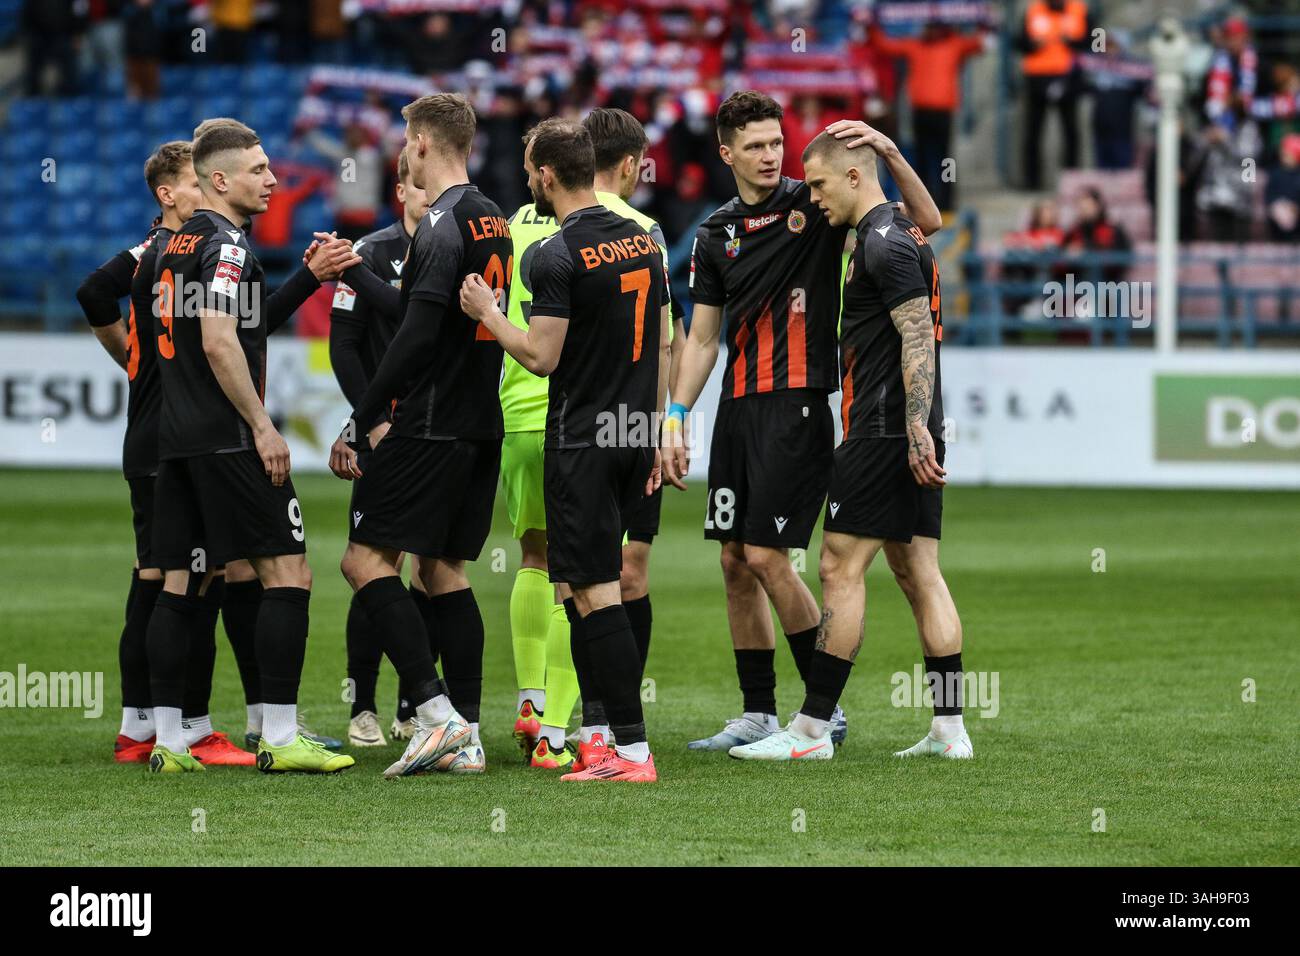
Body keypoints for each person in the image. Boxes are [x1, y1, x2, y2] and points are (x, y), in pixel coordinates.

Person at [663, 91, 941, 753]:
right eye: (754, 146)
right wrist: (675, 415)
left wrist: (887, 152)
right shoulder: (714, 233)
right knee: (734, 560)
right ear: (726, 152)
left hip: (798, 406)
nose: (770, 156)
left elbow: (925, 221)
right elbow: (702, 338)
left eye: (775, 142)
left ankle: (823, 709)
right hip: (737, 408)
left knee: (767, 554)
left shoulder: (816, 202)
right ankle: (758, 713)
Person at [733, 130, 969, 761]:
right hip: (910, 426)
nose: (813, 198)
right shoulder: (900, 230)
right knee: (918, 572)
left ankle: (812, 731)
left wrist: (911, 428)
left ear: (854, 178)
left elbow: (916, 336)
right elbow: (931, 219)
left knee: (838, 567)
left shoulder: (882, 244)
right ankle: (950, 731)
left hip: (884, 428)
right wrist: (891, 152)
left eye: (819, 184)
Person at [459, 118, 670, 783]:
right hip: (632, 432)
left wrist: (488, 313)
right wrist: (656, 431)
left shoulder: (555, 253)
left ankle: (629, 751)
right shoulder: (643, 241)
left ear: (547, 175)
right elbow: (662, 344)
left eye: (530, 173)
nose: (528, 182)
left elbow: (541, 356)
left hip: (581, 439)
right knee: (587, 589)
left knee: (593, 592)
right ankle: (599, 740)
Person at [149, 120, 359, 774]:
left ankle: (168, 742)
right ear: (220, 180)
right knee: (289, 573)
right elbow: (219, 340)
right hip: (229, 439)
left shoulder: (170, 246)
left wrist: (306, 277)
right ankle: (281, 734)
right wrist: (262, 427)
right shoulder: (228, 246)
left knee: (183, 582)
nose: (273, 180)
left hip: (176, 441)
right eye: (260, 170)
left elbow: (237, 326)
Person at [328, 93, 512, 779]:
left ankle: (436, 717)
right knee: (441, 571)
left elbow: (413, 336)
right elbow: (431, 314)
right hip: (478, 421)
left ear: (424, 144)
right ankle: (468, 734)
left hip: (430, 422)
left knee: (363, 561)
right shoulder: (492, 217)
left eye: (407, 139)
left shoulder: (438, 222)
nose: (403, 151)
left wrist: (363, 418)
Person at [326, 150, 431, 747]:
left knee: (430, 571)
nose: (428, 195)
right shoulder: (369, 253)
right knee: (375, 563)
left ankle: (412, 707)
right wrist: (368, 424)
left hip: (436, 431)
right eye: (419, 186)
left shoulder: (450, 249)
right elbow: (345, 347)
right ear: (401, 192)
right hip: (382, 431)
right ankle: (362, 706)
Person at [870, 18, 988, 211]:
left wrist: (985, 21)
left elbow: (980, 44)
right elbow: (885, 46)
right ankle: (923, 205)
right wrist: (871, 24)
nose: (931, 31)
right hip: (921, 112)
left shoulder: (954, 44)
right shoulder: (915, 45)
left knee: (946, 159)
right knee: (922, 158)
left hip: (944, 113)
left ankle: (947, 203)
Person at [1017, 0, 1092, 190]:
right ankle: (1031, 181)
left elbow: (1095, 43)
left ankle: (1072, 181)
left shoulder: (1079, 10)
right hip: (1037, 77)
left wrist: (1072, 43)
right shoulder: (1033, 10)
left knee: (1071, 131)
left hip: (1068, 77)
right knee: (1033, 131)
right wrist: (1033, 44)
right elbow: (1019, 42)